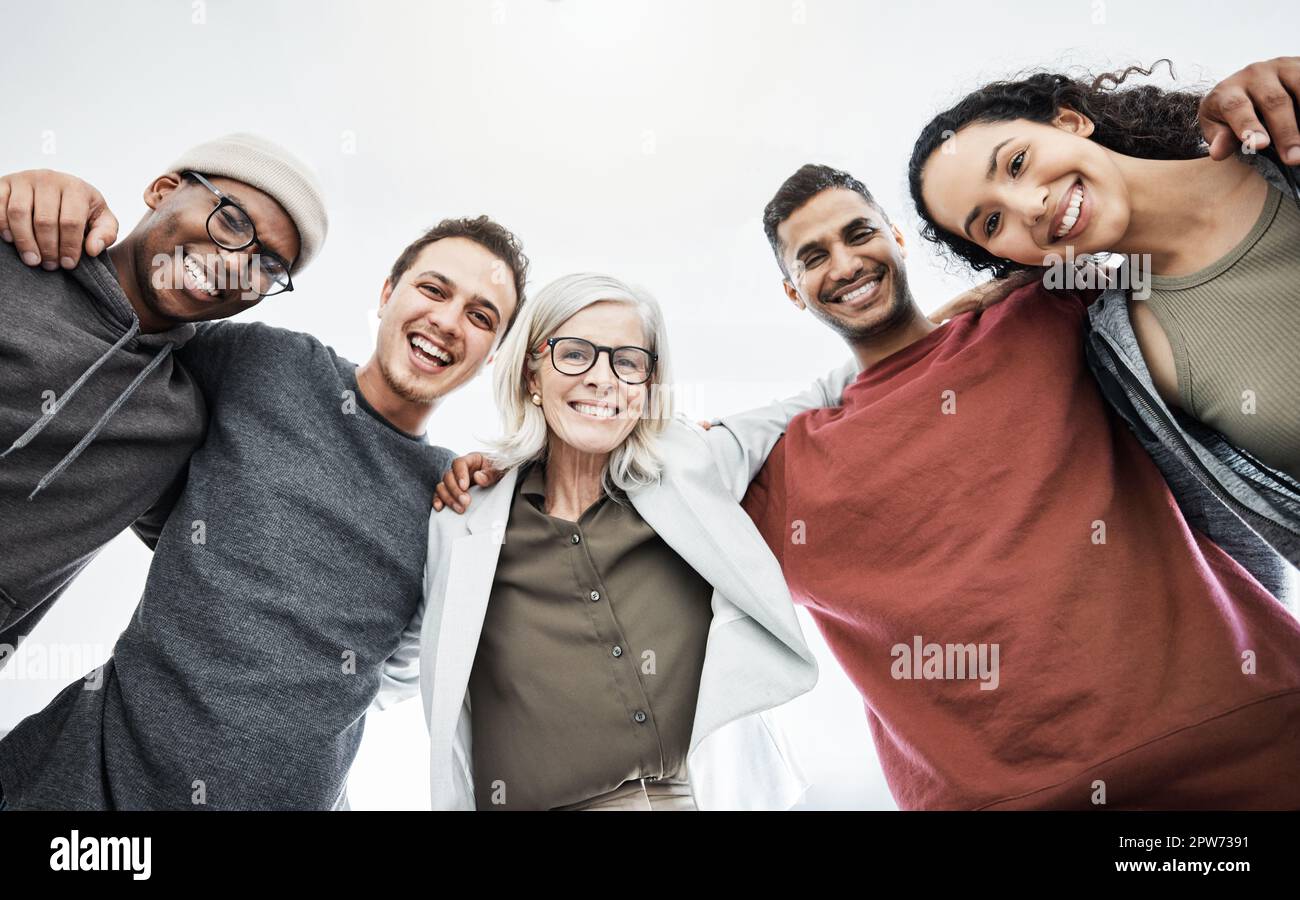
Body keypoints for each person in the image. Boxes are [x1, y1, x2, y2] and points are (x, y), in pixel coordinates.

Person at [733, 160, 1300, 809]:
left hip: (1256, 751)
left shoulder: (1040, 313)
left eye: (859, 234)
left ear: (896, 236)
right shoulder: (787, 469)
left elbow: (1193, 240)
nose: (846, 263)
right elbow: (645, 496)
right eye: (814, 256)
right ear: (792, 291)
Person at [0, 162, 528, 809]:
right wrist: (47, 198)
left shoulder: (454, 503)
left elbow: (402, 674)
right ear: (388, 292)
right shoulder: (265, 363)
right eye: (433, 289)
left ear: (495, 352)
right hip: (73, 786)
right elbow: (130, 325)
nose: (448, 321)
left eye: (481, 316)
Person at [377, 272, 862, 810]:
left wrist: (960, 314)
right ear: (531, 376)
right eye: (576, 354)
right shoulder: (465, 515)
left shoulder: (692, 465)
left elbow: (832, 392)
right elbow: (398, 664)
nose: (603, 379)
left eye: (628, 361)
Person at [0, 133, 325, 668]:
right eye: (232, 221)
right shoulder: (17, 250)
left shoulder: (177, 423)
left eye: (267, 267)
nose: (235, 266)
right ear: (163, 189)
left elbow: (242, 564)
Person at [910, 61, 1300, 487]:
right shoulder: (1134, 355)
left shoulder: (1283, 134)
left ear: (1070, 120)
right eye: (991, 223)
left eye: (1016, 163)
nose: (1030, 207)